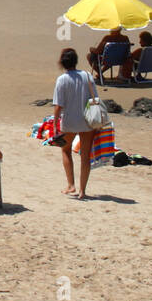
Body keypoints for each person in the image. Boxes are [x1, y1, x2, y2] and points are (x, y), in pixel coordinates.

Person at [52, 48, 97, 199]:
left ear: (62, 62)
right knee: (85, 157)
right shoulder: (87, 76)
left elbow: (58, 105)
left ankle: (71, 185)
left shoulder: (62, 79)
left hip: (70, 121)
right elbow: (95, 98)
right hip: (87, 121)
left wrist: (54, 125)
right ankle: (83, 191)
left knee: (66, 150)